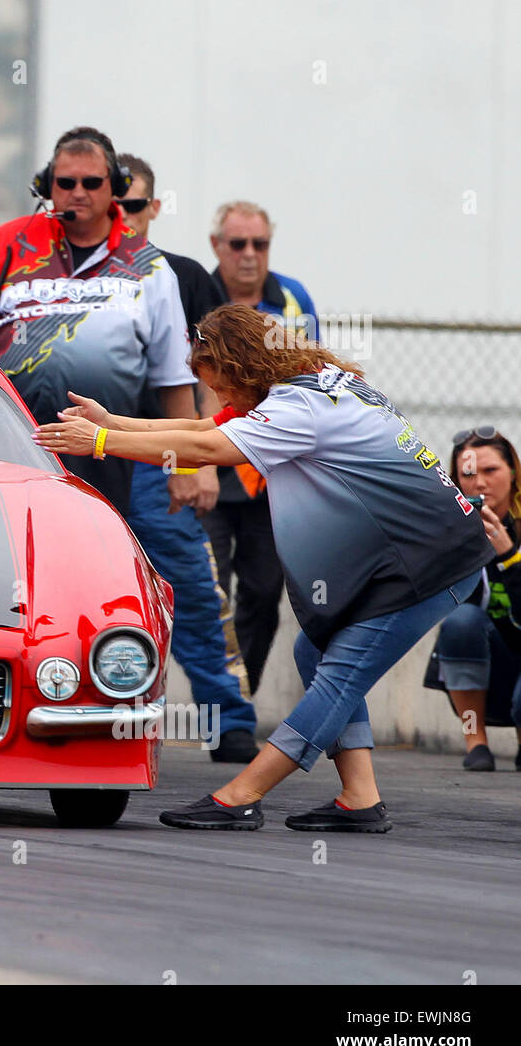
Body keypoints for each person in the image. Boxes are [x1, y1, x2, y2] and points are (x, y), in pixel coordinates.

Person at [33, 303, 493, 832]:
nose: (221, 397)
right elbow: (205, 427)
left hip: (431, 562)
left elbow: (207, 446)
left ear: (240, 365)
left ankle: (241, 795)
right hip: (430, 547)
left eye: (220, 383)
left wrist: (100, 444)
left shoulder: (300, 409)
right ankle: (359, 797)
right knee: (314, 649)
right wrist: (113, 422)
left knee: (340, 673)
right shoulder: (314, 381)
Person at [0, 127, 197, 517]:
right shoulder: (4, 246)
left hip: (103, 455)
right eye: (66, 182)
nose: (79, 192)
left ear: (116, 187)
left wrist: (186, 466)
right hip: (6, 446)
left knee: (92, 556)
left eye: (92, 182)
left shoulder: (149, 265)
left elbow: (173, 378)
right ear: (46, 186)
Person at [114, 154, 256, 763]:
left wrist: (202, 465)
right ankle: (91, 715)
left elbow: (215, 380)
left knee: (197, 589)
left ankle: (230, 720)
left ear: (155, 207)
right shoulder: (53, 277)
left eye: (135, 204)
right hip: (72, 462)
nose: (125, 216)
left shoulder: (184, 274)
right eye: (115, 205)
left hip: (159, 462)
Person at [201, 200, 319, 695]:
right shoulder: (196, 291)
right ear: (216, 247)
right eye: (237, 244)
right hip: (210, 456)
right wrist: (193, 462)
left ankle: (239, 700)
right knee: (209, 591)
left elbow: (313, 375)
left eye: (260, 244)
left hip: (272, 467)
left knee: (265, 590)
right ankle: (220, 701)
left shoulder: (292, 299)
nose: (249, 255)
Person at [425, 428, 521, 770]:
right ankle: (474, 741)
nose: (479, 482)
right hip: (481, 667)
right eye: (467, 474)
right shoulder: (454, 533)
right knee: (461, 621)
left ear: (512, 471)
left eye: (490, 471)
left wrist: (509, 557)